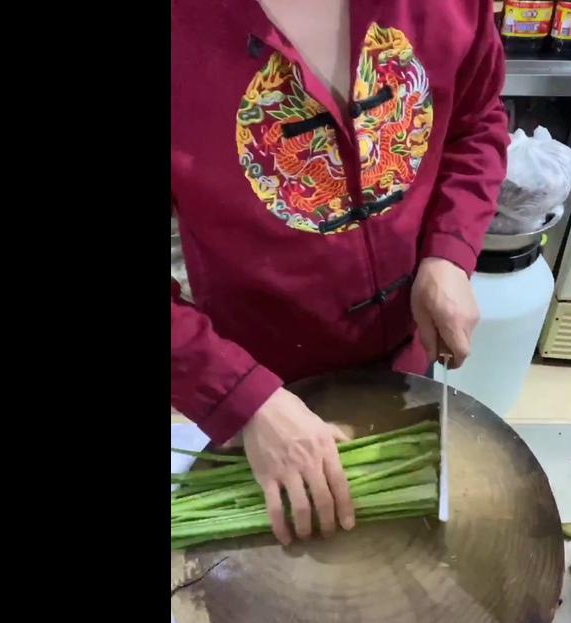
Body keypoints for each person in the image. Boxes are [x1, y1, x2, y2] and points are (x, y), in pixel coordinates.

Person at [171, 0, 507, 548]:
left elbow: (476, 119)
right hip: (261, 383)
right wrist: (240, 396)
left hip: (409, 356)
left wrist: (450, 248)